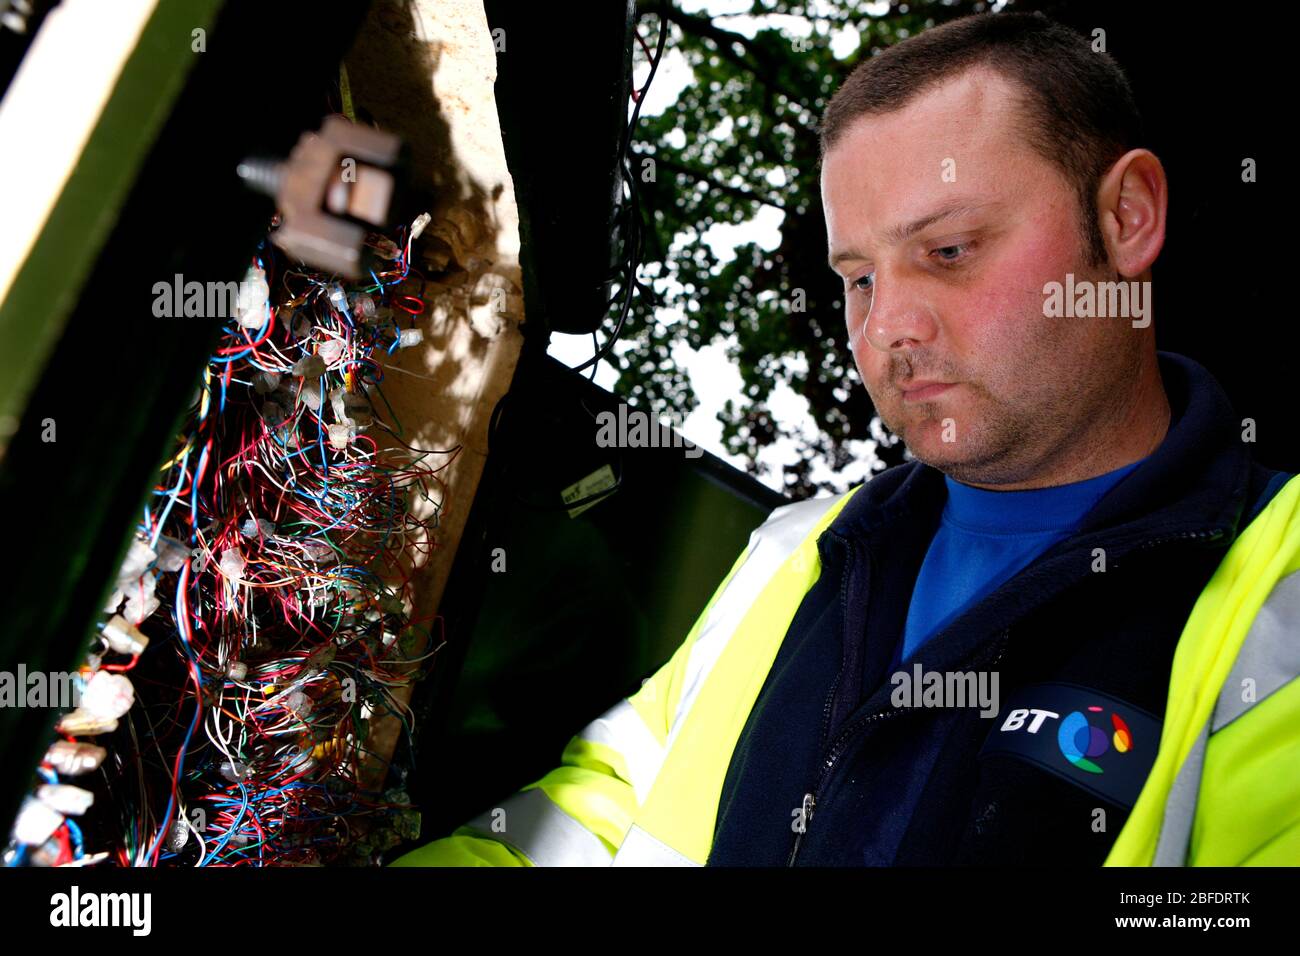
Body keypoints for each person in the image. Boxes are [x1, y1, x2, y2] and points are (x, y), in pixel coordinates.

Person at [392, 11, 1300, 867]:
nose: (889, 327)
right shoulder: (792, 554)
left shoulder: (1281, 599)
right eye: (859, 277)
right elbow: (602, 808)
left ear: (1126, 217)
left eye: (948, 251)